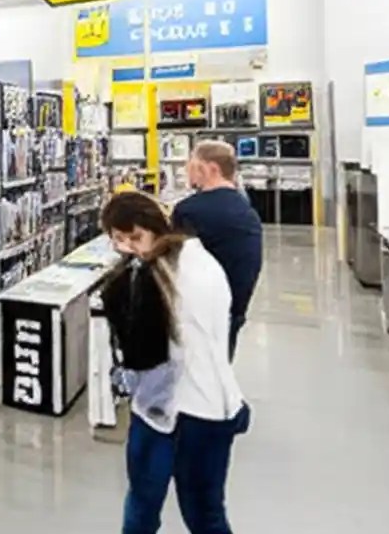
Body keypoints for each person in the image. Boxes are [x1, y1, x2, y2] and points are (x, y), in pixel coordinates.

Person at [99, 191, 246, 534]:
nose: (127, 248)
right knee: (204, 511)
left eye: (134, 237)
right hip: (213, 405)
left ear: (154, 227)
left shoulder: (155, 277)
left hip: (175, 411)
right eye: (118, 240)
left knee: (148, 506)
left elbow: (142, 353)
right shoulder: (200, 260)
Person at [172, 141, 263, 360]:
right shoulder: (244, 205)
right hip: (235, 306)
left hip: (201, 313)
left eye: (192, 166)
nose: (187, 172)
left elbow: (170, 260)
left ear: (210, 169)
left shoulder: (190, 210)